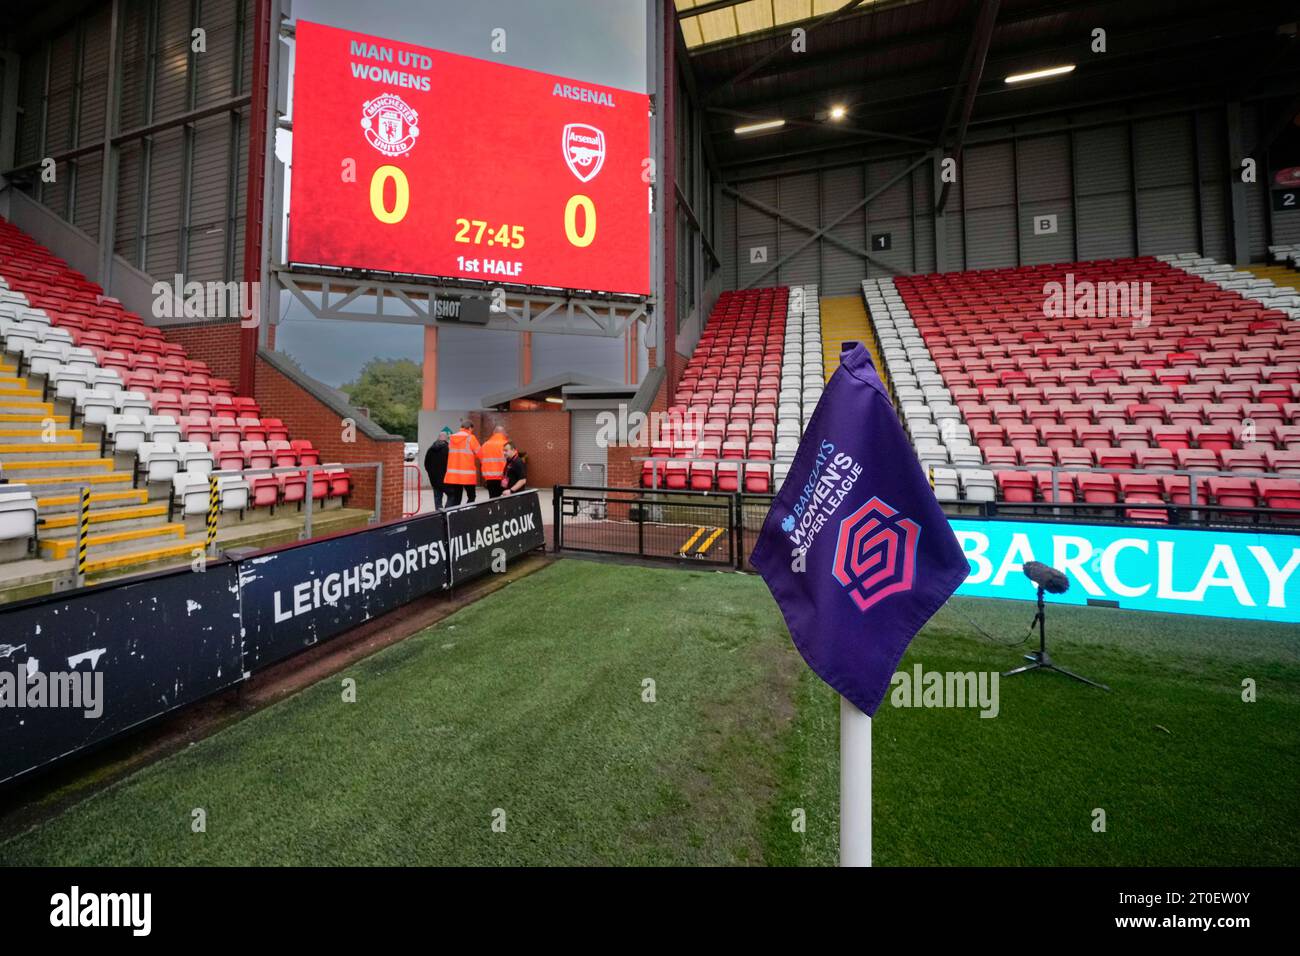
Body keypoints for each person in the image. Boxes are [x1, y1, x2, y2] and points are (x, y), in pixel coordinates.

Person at [443, 420, 481, 506]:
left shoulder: (451, 438)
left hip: (454, 475)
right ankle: (467, 514)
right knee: (471, 497)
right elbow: (480, 453)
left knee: (456, 498)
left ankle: (452, 516)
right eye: (472, 430)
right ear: (470, 428)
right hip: (467, 475)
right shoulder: (471, 438)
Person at [423, 426, 451, 511]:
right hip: (446, 479)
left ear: (438, 438)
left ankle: (439, 514)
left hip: (434, 479)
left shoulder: (430, 449)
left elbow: (426, 464)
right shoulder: (448, 449)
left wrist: (431, 474)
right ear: (446, 439)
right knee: (452, 496)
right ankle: (446, 512)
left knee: (437, 498)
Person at [480, 426, 509, 498]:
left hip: (489, 478)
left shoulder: (485, 445)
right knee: (504, 498)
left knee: (492, 499)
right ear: (502, 433)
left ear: (494, 433)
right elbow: (514, 459)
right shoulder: (506, 445)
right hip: (503, 477)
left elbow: (481, 460)